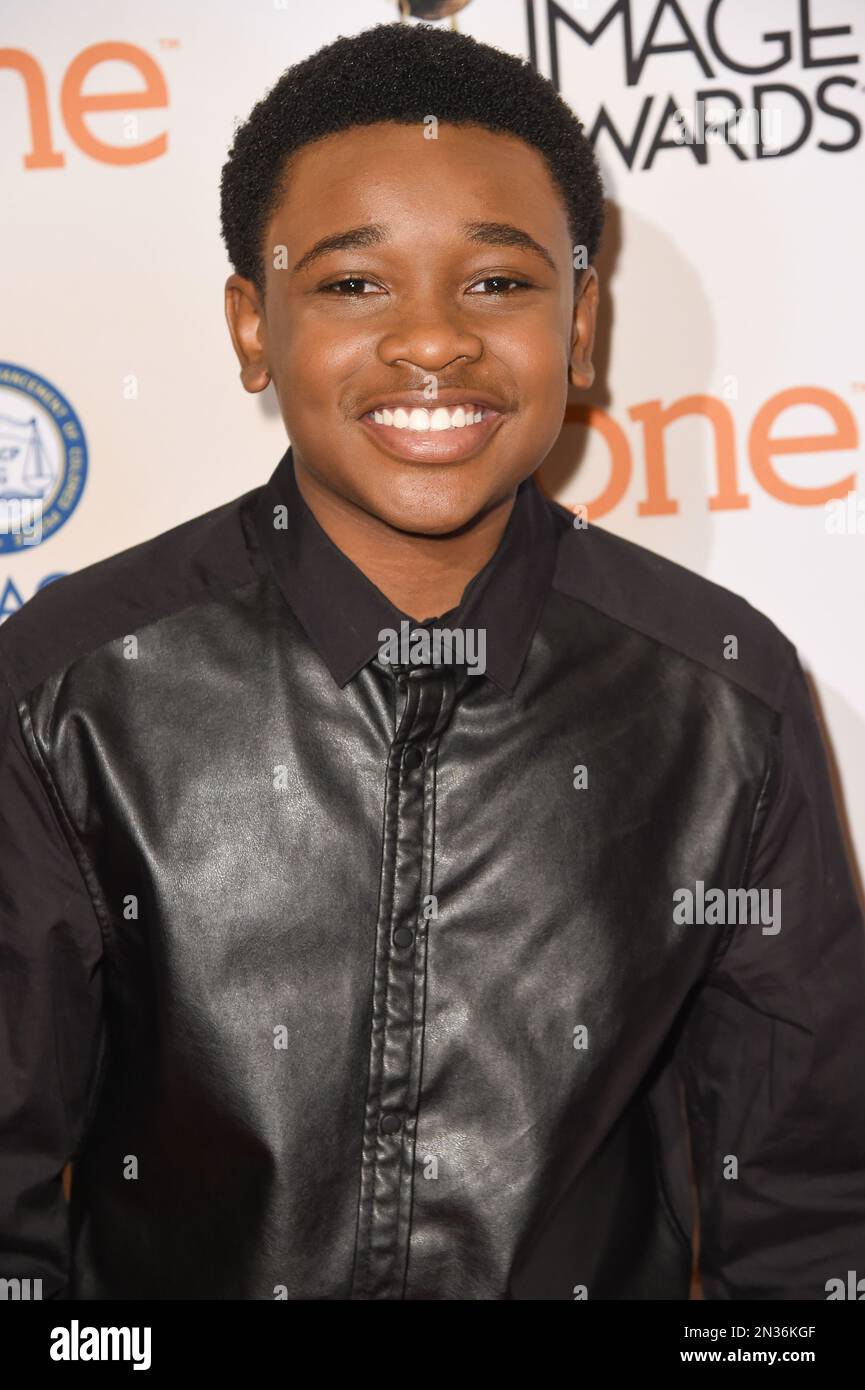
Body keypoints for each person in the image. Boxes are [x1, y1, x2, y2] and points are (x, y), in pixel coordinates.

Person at [1, 20, 863, 1302]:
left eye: (498, 283)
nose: (432, 341)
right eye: (354, 284)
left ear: (580, 330)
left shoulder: (724, 695)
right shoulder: (68, 685)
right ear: (253, 325)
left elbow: (804, 1224)